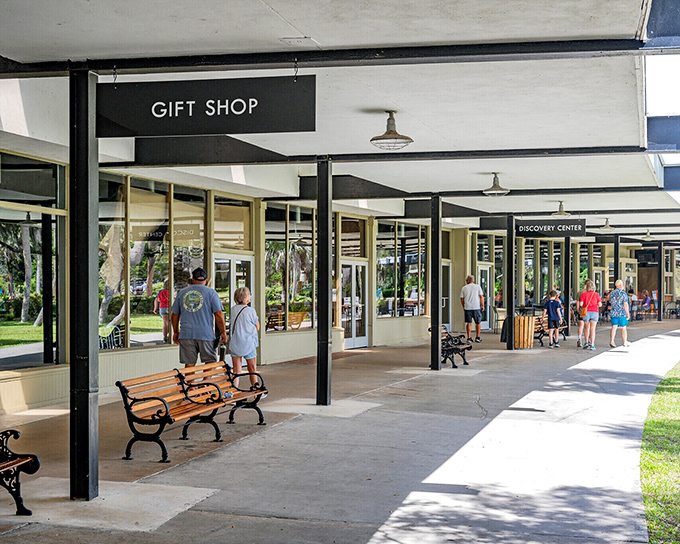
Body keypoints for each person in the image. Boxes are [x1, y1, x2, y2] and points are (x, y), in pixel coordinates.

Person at [171, 267, 228, 367]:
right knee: (210, 361)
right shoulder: (211, 293)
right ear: (206, 280)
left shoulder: (182, 293)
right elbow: (218, 314)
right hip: (206, 334)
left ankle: (191, 383)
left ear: (192, 279)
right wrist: (223, 332)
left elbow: (175, 314)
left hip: (186, 333)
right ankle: (205, 382)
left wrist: (175, 331)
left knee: (189, 364)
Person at [229, 286, 260, 388]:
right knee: (252, 369)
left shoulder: (233, 310)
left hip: (235, 343)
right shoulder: (250, 310)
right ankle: (255, 390)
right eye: (249, 294)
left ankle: (233, 392)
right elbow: (257, 326)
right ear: (245, 297)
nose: (250, 296)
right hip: (248, 343)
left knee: (236, 371)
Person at [578, 279, 601, 351]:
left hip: (586, 312)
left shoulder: (583, 294)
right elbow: (599, 304)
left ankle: (586, 342)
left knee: (586, 328)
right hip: (594, 312)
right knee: (593, 329)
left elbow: (581, 304)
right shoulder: (596, 294)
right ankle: (592, 344)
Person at [460, 274, 484, 343]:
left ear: (467, 280)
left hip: (468, 307)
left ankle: (469, 337)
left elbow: (462, 298)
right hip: (476, 307)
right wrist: (482, 305)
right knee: (478, 322)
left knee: (469, 323)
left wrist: (464, 305)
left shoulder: (464, 288)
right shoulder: (477, 287)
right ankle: (478, 337)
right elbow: (481, 297)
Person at [609, 279, 631, 348]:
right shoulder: (623, 294)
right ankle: (624, 342)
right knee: (623, 327)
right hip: (622, 313)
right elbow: (625, 304)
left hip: (613, 312)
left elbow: (610, 302)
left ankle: (612, 341)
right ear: (621, 285)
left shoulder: (612, 293)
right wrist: (628, 313)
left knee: (614, 327)